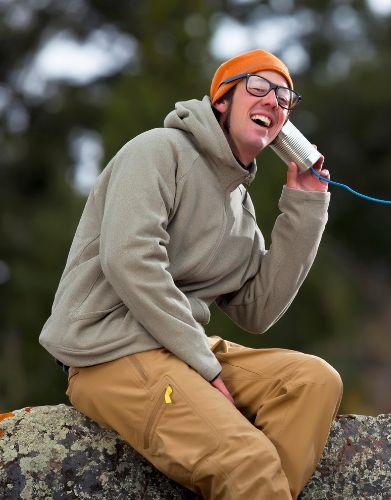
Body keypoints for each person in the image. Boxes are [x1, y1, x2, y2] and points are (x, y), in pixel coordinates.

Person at [39, 49, 342, 499]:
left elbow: (257, 310)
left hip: (178, 349)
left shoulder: (240, 208)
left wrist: (307, 205)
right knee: (248, 461)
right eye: (258, 86)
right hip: (108, 349)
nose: (273, 101)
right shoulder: (158, 150)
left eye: (284, 98)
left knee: (312, 381)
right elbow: (130, 259)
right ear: (221, 100)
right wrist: (204, 366)